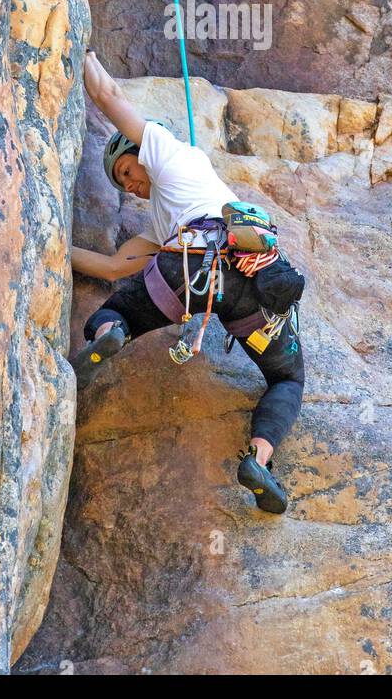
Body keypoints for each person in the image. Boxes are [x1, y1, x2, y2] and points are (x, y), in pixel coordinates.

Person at [70, 50, 306, 514]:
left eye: (127, 173)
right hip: (249, 288)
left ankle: (109, 336)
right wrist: (51, 250)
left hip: (192, 268)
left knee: (115, 314)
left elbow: (108, 93)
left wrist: (81, 49)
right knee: (287, 377)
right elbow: (116, 266)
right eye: (122, 186)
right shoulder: (163, 221)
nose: (130, 186)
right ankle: (258, 459)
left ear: (142, 153)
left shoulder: (171, 154)